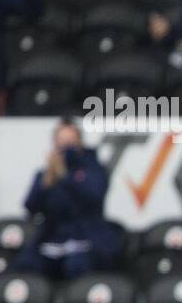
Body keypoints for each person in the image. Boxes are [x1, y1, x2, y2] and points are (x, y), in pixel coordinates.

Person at [13, 118, 120, 281]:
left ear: (79, 142)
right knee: (26, 265)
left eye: (69, 142)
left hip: (88, 240)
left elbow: (94, 196)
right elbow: (31, 207)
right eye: (61, 142)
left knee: (76, 265)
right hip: (53, 241)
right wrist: (46, 184)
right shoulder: (46, 175)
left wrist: (66, 177)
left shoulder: (93, 170)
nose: (65, 148)